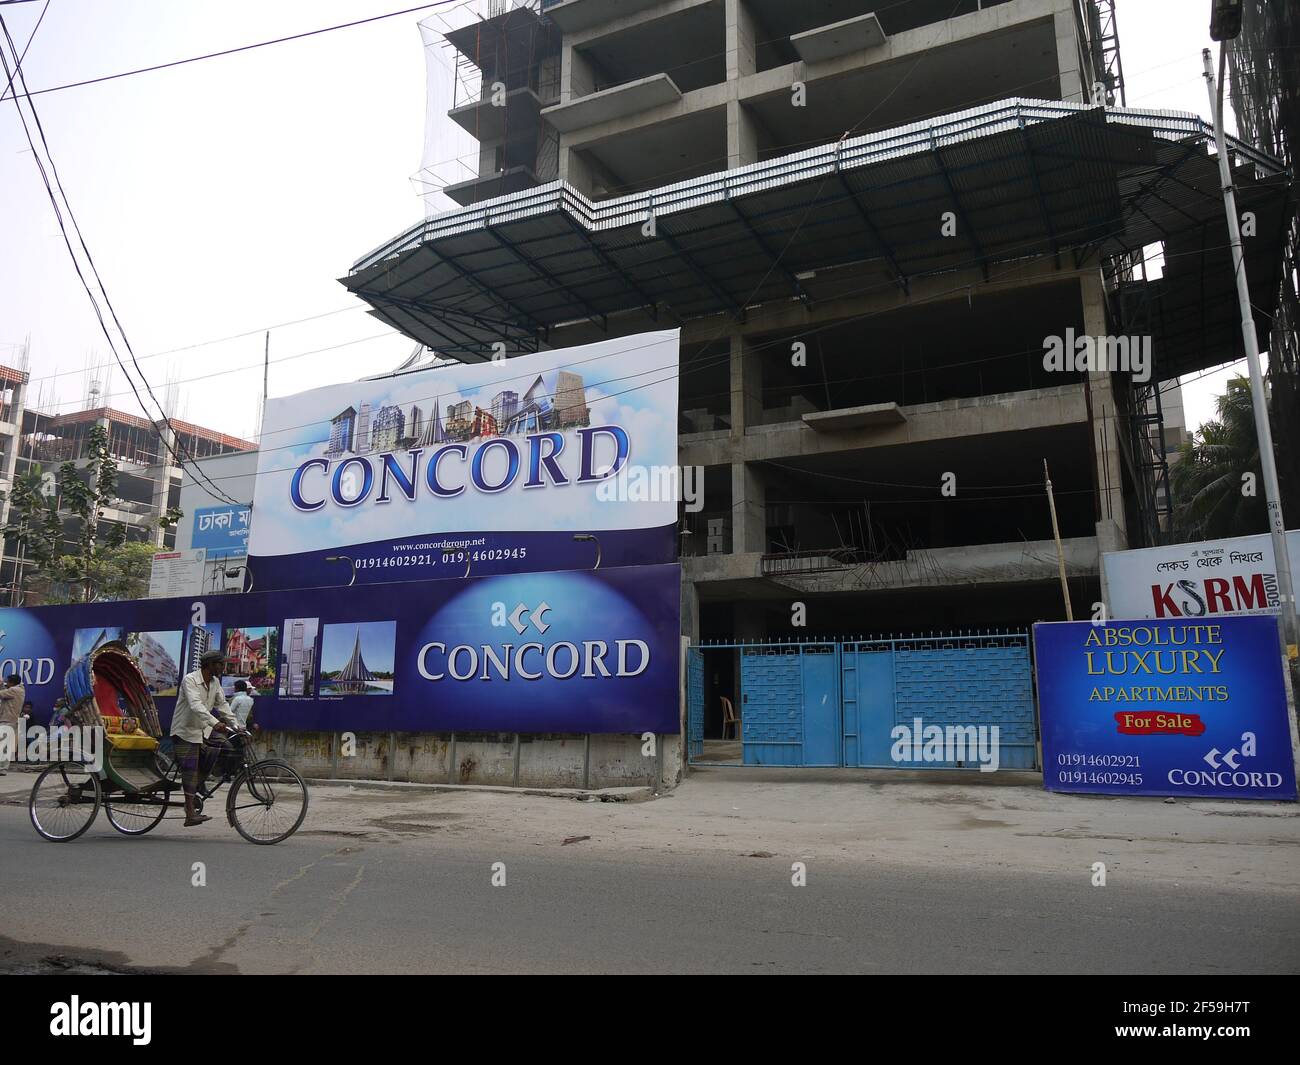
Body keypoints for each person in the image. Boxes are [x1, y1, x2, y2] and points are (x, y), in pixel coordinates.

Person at [170, 650, 240, 827]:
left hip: (203, 729)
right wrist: (216, 723)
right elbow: (196, 705)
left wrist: (238, 725)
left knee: (227, 748)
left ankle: (200, 783)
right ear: (209, 664)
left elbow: (222, 705)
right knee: (190, 769)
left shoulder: (215, 682)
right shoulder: (190, 680)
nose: (223, 668)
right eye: (220, 664)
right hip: (184, 731)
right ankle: (190, 813)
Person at [0, 673, 25, 775]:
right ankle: (2, 769)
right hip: (10, 720)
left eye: (8, 682)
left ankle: (2, 768)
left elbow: (1, 693)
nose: (7, 683)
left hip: (8, 721)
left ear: (12, 682)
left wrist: (1, 683)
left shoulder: (15, 690)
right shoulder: (19, 690)